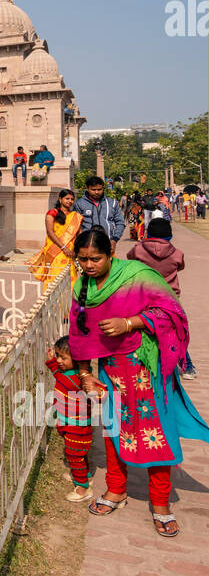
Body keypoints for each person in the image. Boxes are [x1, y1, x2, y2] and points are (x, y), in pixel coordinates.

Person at [69, 227, 209, 538]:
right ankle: (116, 490)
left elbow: (171, 311)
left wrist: (129, 323)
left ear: (111, 255)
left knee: (156, 434)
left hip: (147, 368)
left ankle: (161, 505)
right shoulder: (83, 286)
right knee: (114, 431)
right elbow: (80, 337)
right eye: (83, 260)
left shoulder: (136, 274)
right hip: (111, 372)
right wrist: (86, 374)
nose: (89, 265)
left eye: (95, 259)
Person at [127, 217, 195, 378]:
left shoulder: (138, 250)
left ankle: (142, 365)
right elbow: (181, 266)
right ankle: (187, 367)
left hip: (144, 297)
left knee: (143, 329)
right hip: (169, 299)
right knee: (176, 331)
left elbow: (130, 258)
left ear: (148, 233)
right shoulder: (177, 253)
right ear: (170, 236)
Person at [46, 335, 95, 503]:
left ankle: (82, 488)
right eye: (58, 356)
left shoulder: (75, 379)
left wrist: (51, 362)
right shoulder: (69, 374)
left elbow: (58, 376)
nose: (59, 360)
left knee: (74, 455)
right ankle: (85, 476)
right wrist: (53, 361)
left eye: (63, 357)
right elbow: (58, 374)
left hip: (77, 427)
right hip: (71, 424)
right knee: (79, 454)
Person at [29, 189, 83, 287]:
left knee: (70, 278)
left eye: (72, 199)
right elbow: (50, 232)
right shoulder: (52, 213)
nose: (70, 201)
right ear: (60, 199)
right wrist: (63, 248)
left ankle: (69, 301)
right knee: (55, 280)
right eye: (67, 198)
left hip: (71, 252)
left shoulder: (75, 216)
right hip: (56, 251)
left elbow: (80, 235)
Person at [74, 176, 125, 253]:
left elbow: (120, 222)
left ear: (103, 188)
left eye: (99, 189)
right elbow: (75, 225)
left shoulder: (112, 203)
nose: (96, 192)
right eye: (93, 190)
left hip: (107, 244)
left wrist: (114, 239)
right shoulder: (79, 204)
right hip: (86, 245)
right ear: (87, 188)